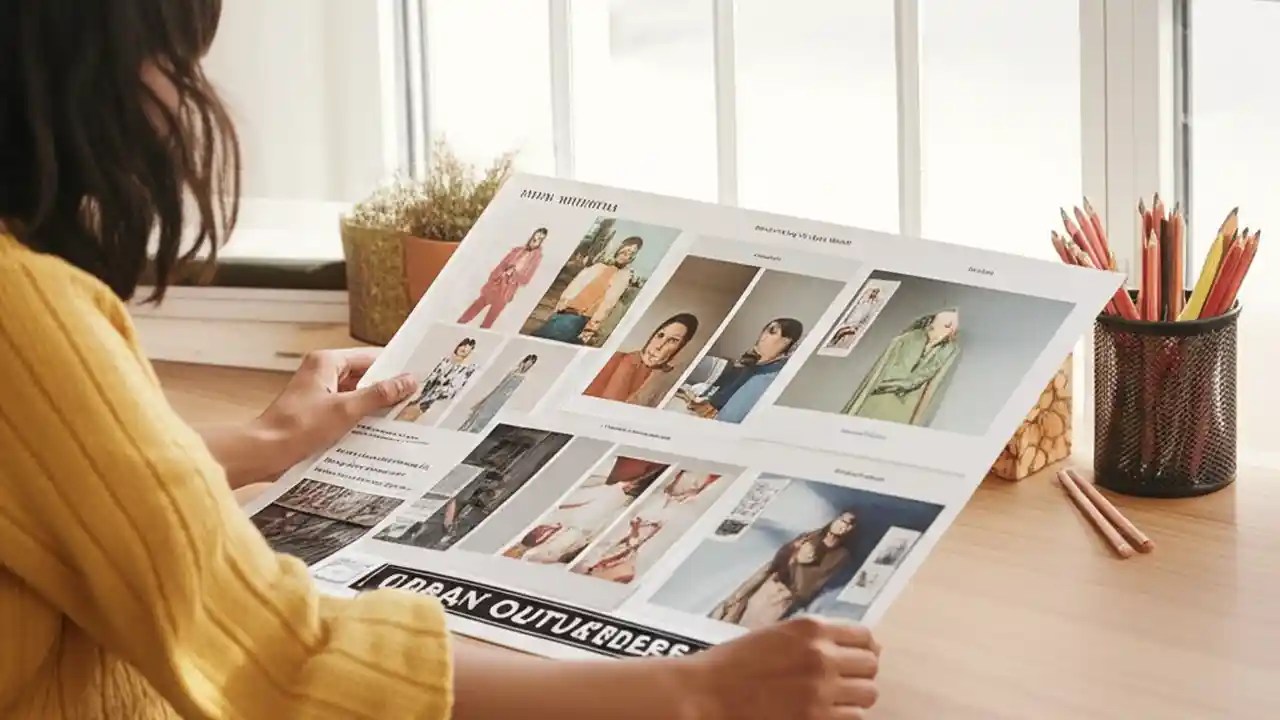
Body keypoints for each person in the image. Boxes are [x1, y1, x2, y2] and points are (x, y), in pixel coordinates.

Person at [0, 1, 881, 717]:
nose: (182, 99)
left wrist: (258, 444)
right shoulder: (23, 309)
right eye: (172, 58)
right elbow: (277, 655)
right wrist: (682, 690)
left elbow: (54, 484)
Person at [712, 511, 858, 629]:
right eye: (842, 520)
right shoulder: (810, 536)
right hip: (770, 583)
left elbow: (810, 586)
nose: (843, 525)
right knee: (732, 615)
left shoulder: (839, 556)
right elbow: (776, 561)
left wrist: (799, 563)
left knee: (748, 629)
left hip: (784, 596)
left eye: (849, 524)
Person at [842, 308, 961, 425]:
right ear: (931, 323)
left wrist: (915, 424)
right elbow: (877, 375)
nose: (950, 331)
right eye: (947, 325)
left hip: (903, 410)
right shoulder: (906, 340)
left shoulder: (947, 350)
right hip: (876, 403)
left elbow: (929, 389)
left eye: (953, 328)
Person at [686, 318, 805, 424]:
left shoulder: (767, 379)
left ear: (787, 341)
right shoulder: (750, 363)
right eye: (765, 331)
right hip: (726, 374)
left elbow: (728, 417)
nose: (763, 337)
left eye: (772, 332)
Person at [532, 236, 643, 345]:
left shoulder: (622, 277)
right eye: (625, 251)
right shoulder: (598, 266)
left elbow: (608, 304)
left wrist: (591, 328)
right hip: (563, 311)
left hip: (580, 318)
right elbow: (575, 285)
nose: (626, 256)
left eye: (631, 254)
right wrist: (561, 305)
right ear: (619, 248)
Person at [584, 313, 699, 407]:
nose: (659, 346)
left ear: (681, 347)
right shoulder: (616, 359)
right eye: (660, 335)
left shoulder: (667, 380)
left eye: (673, 341)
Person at [457, 228, 546, 328]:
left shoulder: (536, 258)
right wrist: (498, 275)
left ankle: (482, 333)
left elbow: (526, 279)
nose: (535, 240)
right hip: (498, 282)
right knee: (479, 304)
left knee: (492, 316)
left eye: (539, 239)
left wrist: (513, 274)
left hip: (508, 288)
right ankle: (459, 324)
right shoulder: (517, 250)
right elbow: (501, 265)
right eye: (535, 237)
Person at [392, 338, 479, 422]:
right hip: (420, 396)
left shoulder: (464, 370)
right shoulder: (445, 362)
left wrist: (441, 387)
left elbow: (453, 391)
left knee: (409, 417)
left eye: (468, 348)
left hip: (430, 403)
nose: (464, 348)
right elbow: (429, 378)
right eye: (463, 345)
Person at [458, 353, 538, 433]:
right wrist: (484, 400)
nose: (526, 366)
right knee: (477, 416)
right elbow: (499, 387)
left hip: (500, 401)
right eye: (526, 362)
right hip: (494, 398)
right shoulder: (513, 372)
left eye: (529, 364)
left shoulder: (522, 378)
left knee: (483, 420)